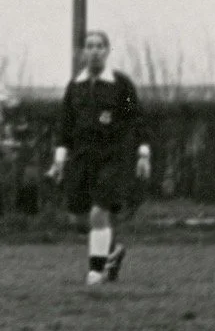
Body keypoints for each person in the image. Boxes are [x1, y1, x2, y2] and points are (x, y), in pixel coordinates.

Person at [48, 32, 151, 288]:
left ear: (107, 51)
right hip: (82, 159)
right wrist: (59, 161)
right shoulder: (75, 86)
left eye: (99, 46)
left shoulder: (121, 84)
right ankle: (112, 251)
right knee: (79, 219)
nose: (94, 51)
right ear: (83, 52)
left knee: (98, 212)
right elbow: (65, 127)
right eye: (90, 46)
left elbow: (137, 119)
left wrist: (143, 154)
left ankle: (95, 273)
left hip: (113, 157)